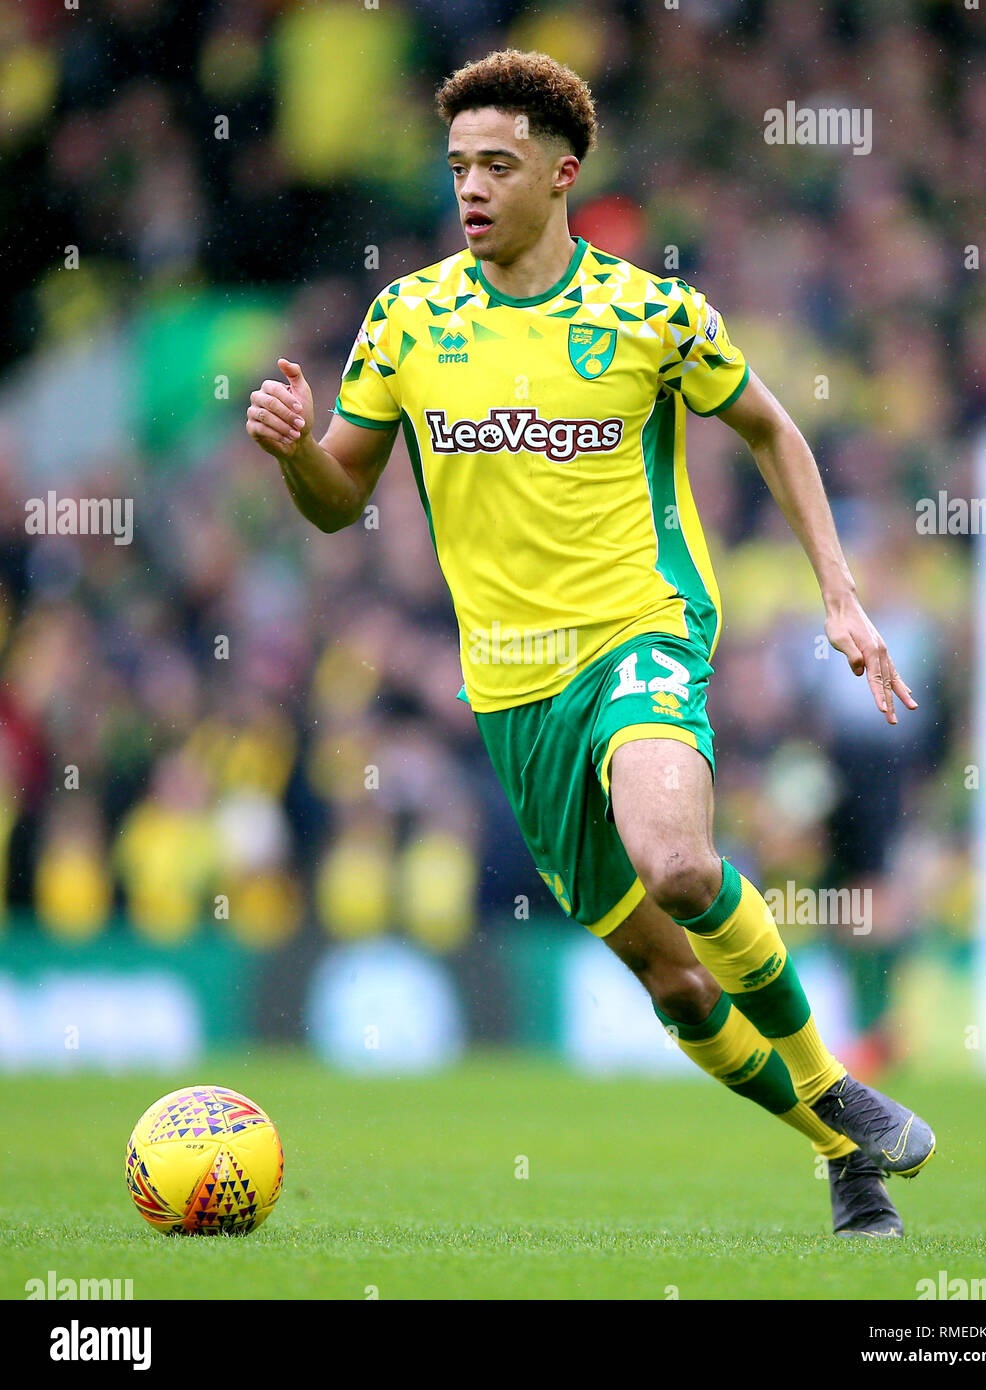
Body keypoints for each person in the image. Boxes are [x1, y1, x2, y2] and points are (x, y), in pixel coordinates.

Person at [246, 49, 934, 1237]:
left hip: (638, 632)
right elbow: (334, 501)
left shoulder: (650, 313)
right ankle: (839, 1148)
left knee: (675, 857)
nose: (469, 188)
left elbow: (771, 430)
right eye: (457, 166)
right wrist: (296, 449)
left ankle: (834, 1086)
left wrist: (840, 594)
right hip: (510, 691)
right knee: (669, 972)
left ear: (560, 174)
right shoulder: (405, 320)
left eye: (496, 167)